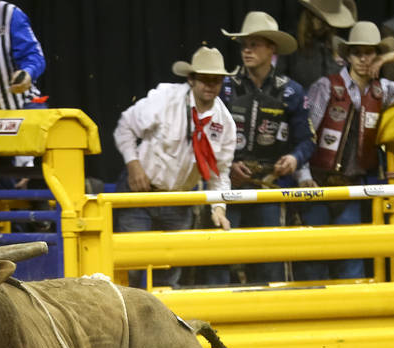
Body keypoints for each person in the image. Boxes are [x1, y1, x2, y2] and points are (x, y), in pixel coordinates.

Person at [295, 22, 394, 280]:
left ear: (377, 55)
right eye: (357, 52)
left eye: (369, 52)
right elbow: (306, 132)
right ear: (348, 56)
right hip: (318, 183)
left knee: (352, 257)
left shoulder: (384, 89)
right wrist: (303, 177)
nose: (362, 59)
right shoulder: (326, 86)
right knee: (314, 259)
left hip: (352, 187)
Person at [112, 46, 236, 289]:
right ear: (191, 79)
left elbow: (219, 172)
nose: (210, 85)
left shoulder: (224, 123)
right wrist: (133, 164)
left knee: (169, 273)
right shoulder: (166, 98)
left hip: (179, 200)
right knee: (135, 268)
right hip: (141, 193)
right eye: (205, 79)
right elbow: (125, 126)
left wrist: (219, 209)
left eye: (216, 80)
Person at [215, 11, 314, 285]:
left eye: (254, 44)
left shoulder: (291, 91)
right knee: (225, 256)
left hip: (270, 187)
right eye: (244, 44)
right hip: (230, 185)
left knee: (270, 258)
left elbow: (307, 139)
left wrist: (294, 159)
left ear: (272, 48)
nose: (247, 50)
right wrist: (227, 167)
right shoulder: (224, 87)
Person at [282, 0, 356, 90]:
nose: (326, 27)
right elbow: (280, 78)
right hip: (299, 101)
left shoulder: (338, 46)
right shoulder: (292, 44)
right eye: (323, 21)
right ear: (311, 17)